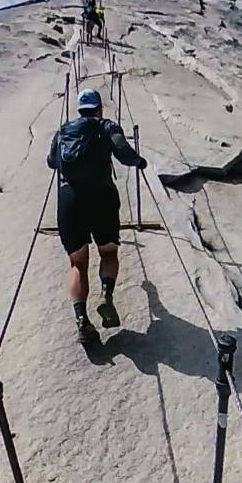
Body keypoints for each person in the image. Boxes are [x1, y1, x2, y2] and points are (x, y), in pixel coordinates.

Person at [47, 87, 147, 343]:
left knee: (78, 264)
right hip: (101, 196)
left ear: (80, 109)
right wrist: (139, 161)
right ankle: (106, 294)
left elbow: (51, 161)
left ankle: (82, 321)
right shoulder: (106, 126)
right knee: (108, 252)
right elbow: (123, 152)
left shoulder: (63, 131)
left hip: (69, 199)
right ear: (99, 107)